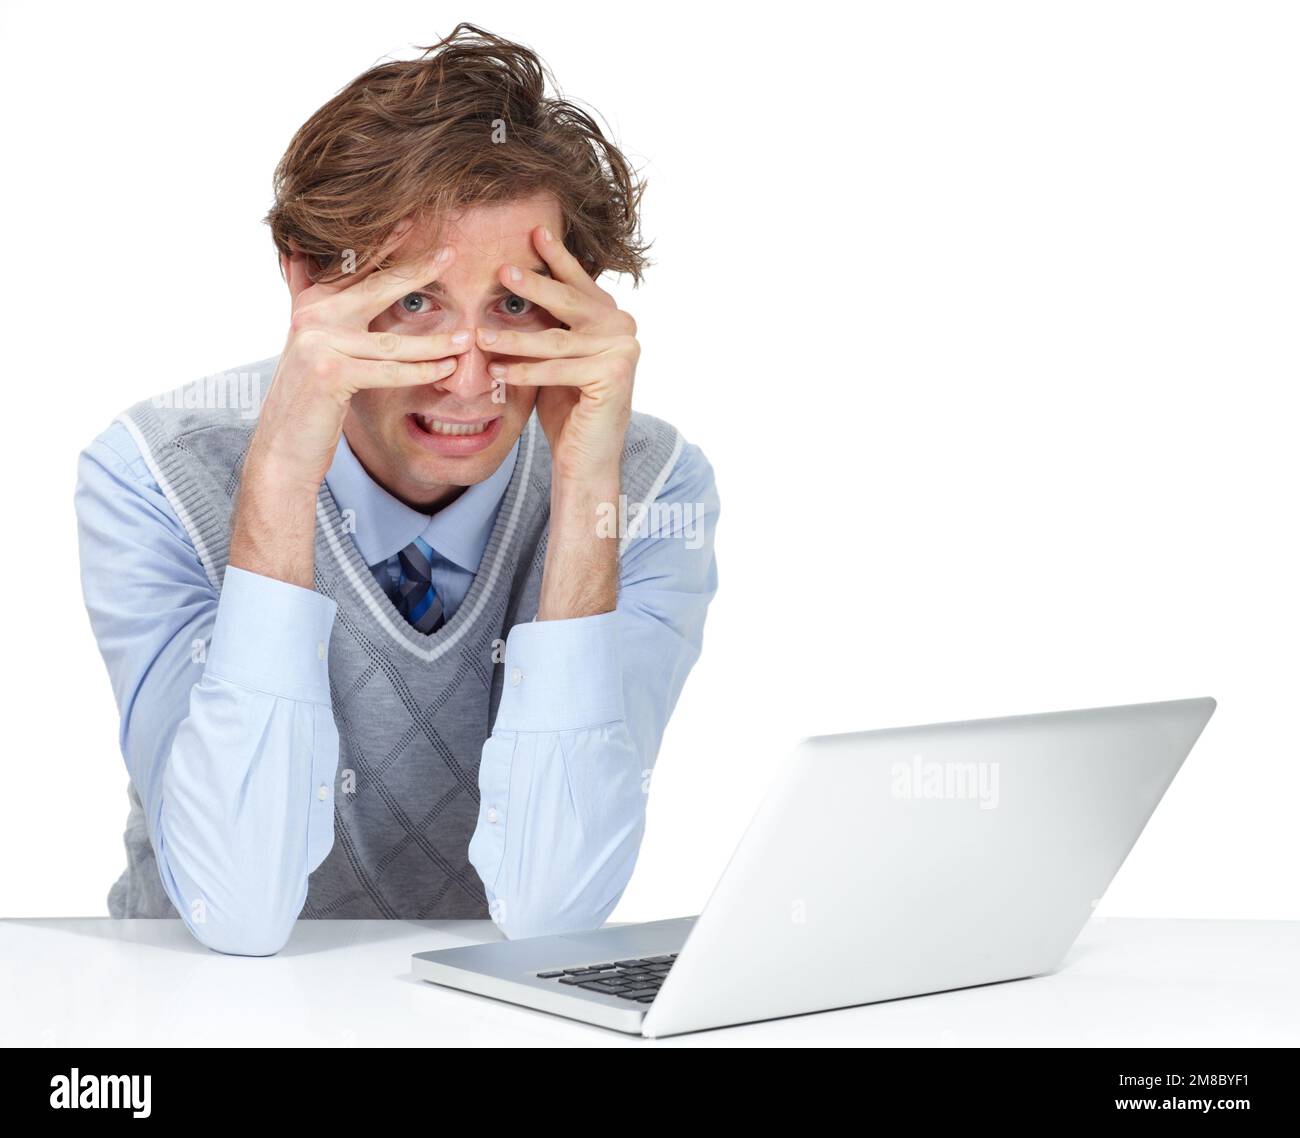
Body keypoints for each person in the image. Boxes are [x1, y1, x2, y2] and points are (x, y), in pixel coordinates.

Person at [74, 24, 718, 957]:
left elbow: (553, 916)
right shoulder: (152, 477)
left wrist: (587, 489)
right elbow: (237, 911)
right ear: (305, 277)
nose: (469, 381)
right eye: (415, 303)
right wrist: (284, 477)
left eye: (516, 305)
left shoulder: (650, 489)